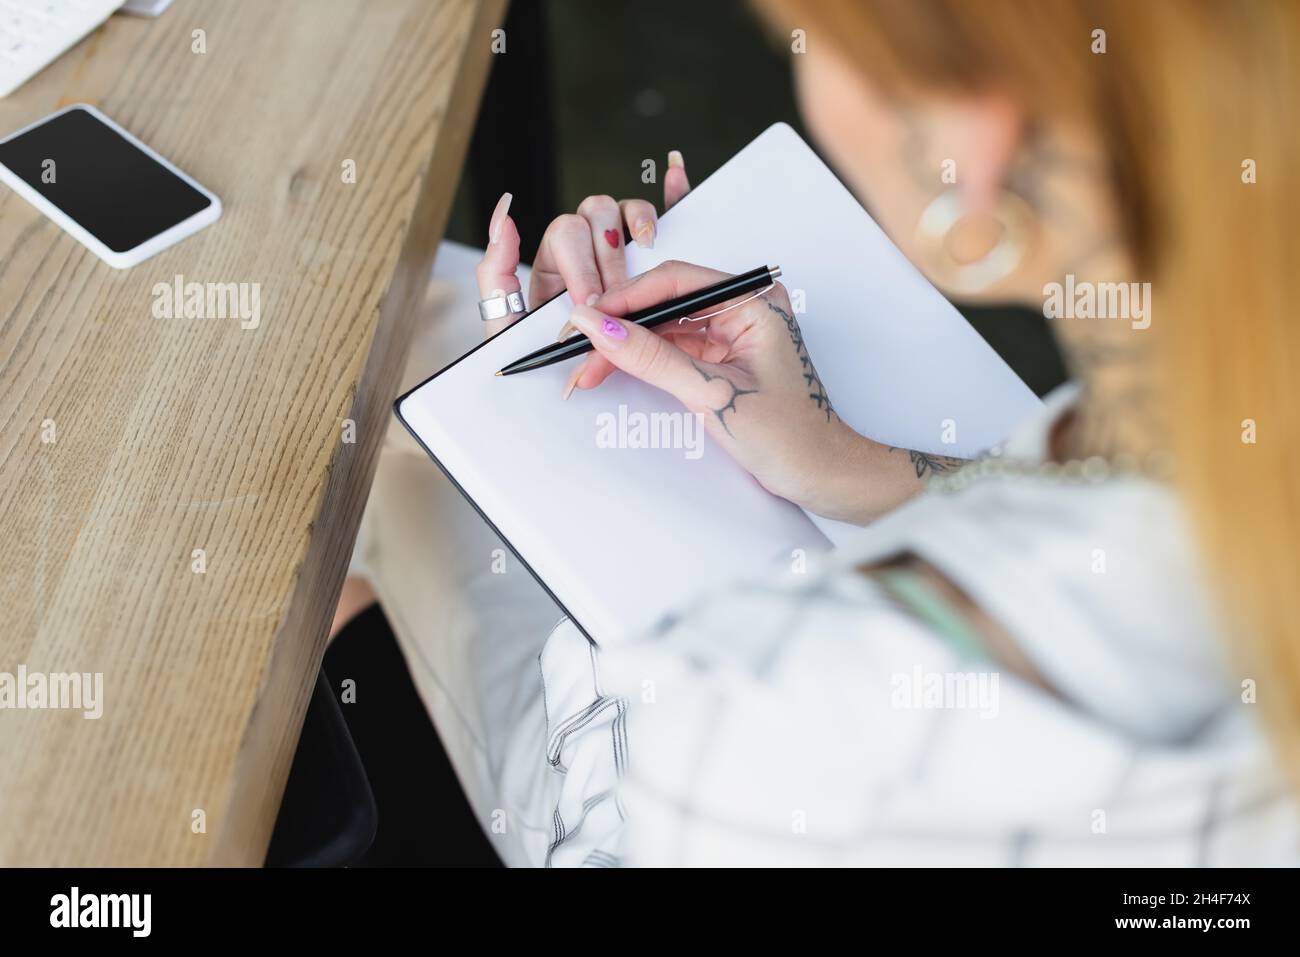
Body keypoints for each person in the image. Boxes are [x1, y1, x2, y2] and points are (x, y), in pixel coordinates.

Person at [340, 0, 1299, 865]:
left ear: (975, 136)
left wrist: (539, 460)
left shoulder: (770, 733)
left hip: (613, 790)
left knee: (375, 384)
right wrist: (847, 466)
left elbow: (647, 793)